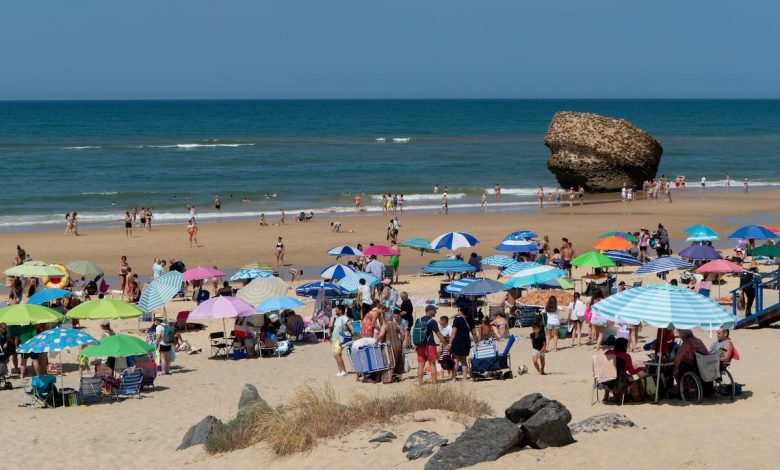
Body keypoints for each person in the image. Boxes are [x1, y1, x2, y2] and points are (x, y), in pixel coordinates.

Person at [604, 337, 646, 402]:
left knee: (611, 374)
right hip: (620, 380)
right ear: (624, 347)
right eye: (626, 345)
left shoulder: (608, 353)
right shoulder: (626, 356)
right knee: (633, 381)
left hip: (605, 379)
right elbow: (631, 372)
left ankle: (606, 396)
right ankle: (636, 398)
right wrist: (640, 368)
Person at [414, 305, 447, 385]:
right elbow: (439, 335)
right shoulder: (432, 321)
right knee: (432, 364)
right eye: (434, 310)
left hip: (420, 345)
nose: (436, 312)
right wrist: (446, 344)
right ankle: (435, 384)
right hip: (430, 346)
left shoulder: (418, 320)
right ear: (430, 311)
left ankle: (420, 384)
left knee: (420, 366)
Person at [376, 309, 405, 383]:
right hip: (398, 344)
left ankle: (388, 379)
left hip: (389, 346)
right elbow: (402, 333)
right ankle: (397, 377)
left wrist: (376, 342)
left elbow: (381, 335)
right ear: (392, 318)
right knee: (398, 361)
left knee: (389, 361)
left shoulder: (385, 325)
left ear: (385, 318)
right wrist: (401, 341)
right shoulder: (396, 325)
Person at [450, 306, 477, 381]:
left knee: (456, 360)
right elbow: (474, 332)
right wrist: (477, 341)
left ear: (460, 310)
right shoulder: (470, 319)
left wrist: (450, 342)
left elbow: (453, 332)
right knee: (464, 360)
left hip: (457, 341)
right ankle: (464, 378)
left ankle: (454, 378)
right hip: (466, 341)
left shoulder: (457, 319)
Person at [329, 306, 352, 377]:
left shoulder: (345, 318)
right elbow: (333, 328)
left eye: (336, 310)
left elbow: (351, 328)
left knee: (337, 355)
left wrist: (349, 335)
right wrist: (330, 336)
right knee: (337, 355)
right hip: (334, 339)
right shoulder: (336, 318)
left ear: (341, 311)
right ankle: (340, 371)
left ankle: (344, 371)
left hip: (340, 340)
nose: (335, 311)